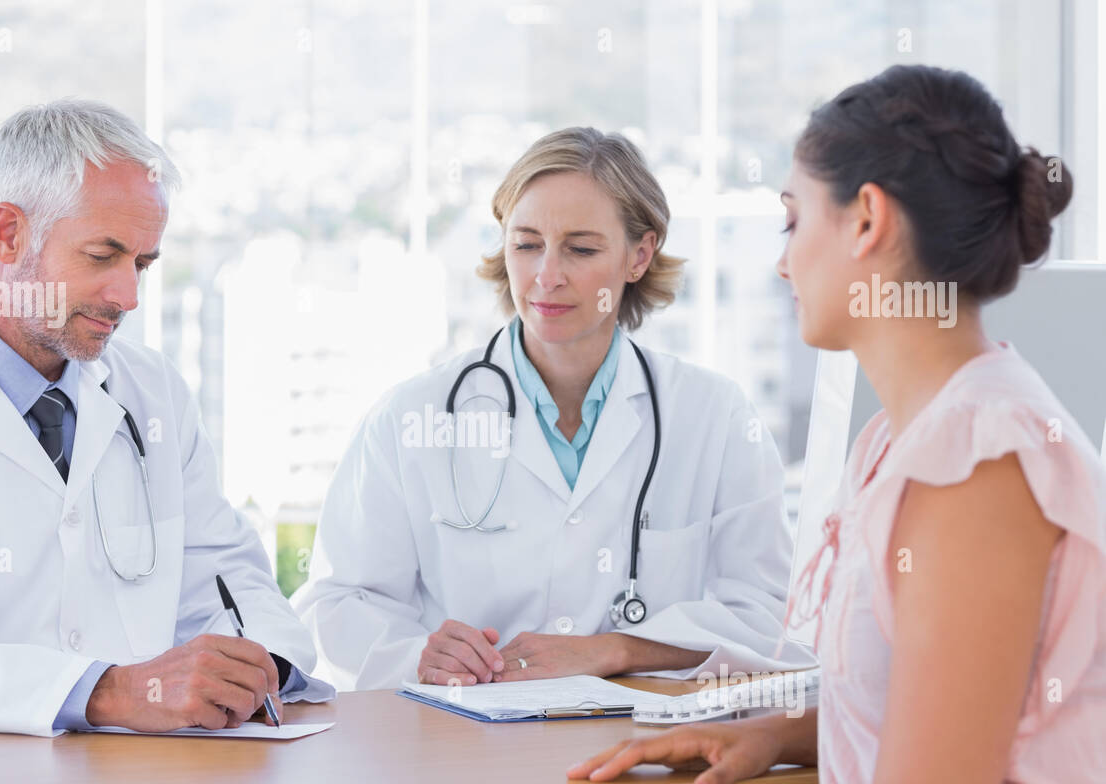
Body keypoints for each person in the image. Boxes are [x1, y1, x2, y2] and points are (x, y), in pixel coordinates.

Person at [569, 65, 1106, 784]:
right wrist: (777, 735)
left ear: (866, 221)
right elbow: (942, 707)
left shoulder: (977, 466)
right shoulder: (900, 443)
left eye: (792, 223)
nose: (783, 265)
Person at [0, 100, 332, 737]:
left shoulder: (154, 393)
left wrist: (257, 666)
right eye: (102, 256)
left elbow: (227, 581)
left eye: (142, 264)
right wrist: (107, 692)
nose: (129, 297)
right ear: (8, 234)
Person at [292, 127, 815, 691]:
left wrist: (611, 651)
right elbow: (335, 604)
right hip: (464, 753)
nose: (546, 276)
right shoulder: (410, 418)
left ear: (639, 255)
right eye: (526, 243)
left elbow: (768, 614)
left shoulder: (714, 416)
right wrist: (421, 655)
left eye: (581, 249)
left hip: (642, 752)